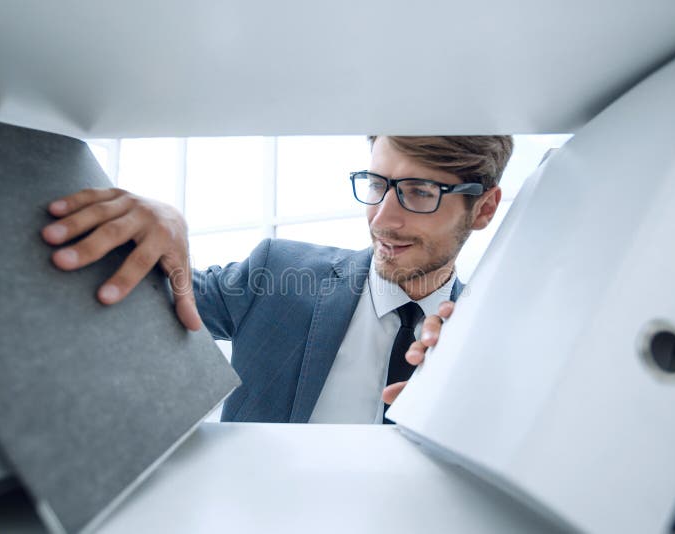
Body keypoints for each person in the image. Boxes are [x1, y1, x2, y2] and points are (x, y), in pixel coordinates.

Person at [41, 135, 513, 423]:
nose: (381, 219)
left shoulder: (488, 341)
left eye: (418, 192)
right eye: (376, 185)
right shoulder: (276, 273)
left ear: (484, 208)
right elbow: (147, 292)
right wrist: (151, 221)